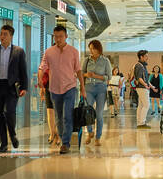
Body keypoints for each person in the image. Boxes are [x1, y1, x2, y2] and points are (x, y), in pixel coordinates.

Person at [0, 24, 28, 152]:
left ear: (11, 36)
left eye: (5, 34)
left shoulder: (18, 51)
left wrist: (24, 87)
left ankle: (12, 134)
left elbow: (23, 70)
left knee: (9, 112)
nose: (2, 36)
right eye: (1, 34)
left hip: (11, 87)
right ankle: (3, 144)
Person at [39, 24, 82, 154]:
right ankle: (62, 138)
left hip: (70, 87)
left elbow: (78, 70)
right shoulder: (49, 51)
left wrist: (83, 89)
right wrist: (40, 79)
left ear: (66, 36)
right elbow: (42, 67)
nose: (58, 39)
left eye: (61, 36)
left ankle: (65, 143)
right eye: (56, 37)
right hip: (54, 88)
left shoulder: (74, 51)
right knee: (58, 116)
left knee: (67, 115)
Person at [81, 39, 112, 145]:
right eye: (90, 49)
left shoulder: (105, 60)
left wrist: (96, 76)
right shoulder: (87, 60)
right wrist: (86, 75)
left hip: (101, 89)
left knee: (99, 114)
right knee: (87, 112)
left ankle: (98, 137)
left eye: (93, 48)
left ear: (98, 49)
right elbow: (81, 74)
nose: (91, 51)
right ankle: (90, 133)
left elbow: (109, 76)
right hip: (88, 88)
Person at [131, 49, 151, 129]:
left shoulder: (142, 65)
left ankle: (140, 122)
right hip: (142, 88)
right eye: (146, 56)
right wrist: (145, 85)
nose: (147, 58)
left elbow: (144, 78)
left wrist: (151, 86)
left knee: (141, 105)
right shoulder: (139, 65)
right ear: (141, 57)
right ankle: (142, 122)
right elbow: (139, 78)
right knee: (146, 105)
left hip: (141, 88)